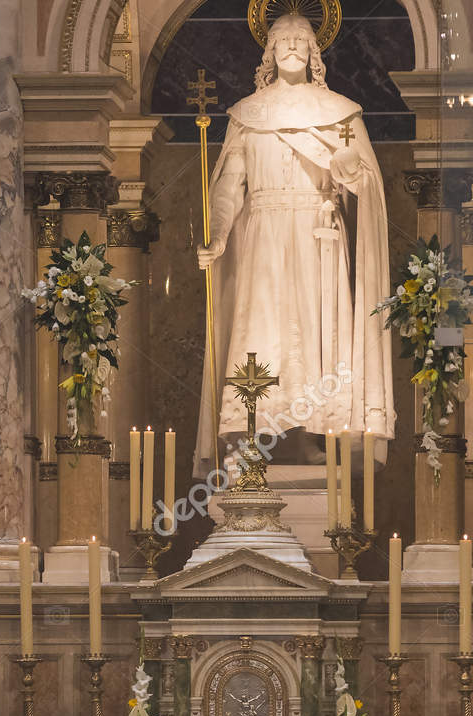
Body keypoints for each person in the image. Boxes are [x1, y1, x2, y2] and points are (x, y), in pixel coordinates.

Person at [195, 11, 393, 467]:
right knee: (260, 333)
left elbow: (366, 187)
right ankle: (250, 437)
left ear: (313, 52)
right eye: (280, 38)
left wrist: (346, 168)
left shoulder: (339, 113)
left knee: (314, 333)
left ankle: (308, 433)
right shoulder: (247, 114)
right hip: (262, 236)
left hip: (315, 235)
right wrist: (219, 235)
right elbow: (229, 186)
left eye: (299, 40)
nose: (289, 45)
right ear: (268, 51)